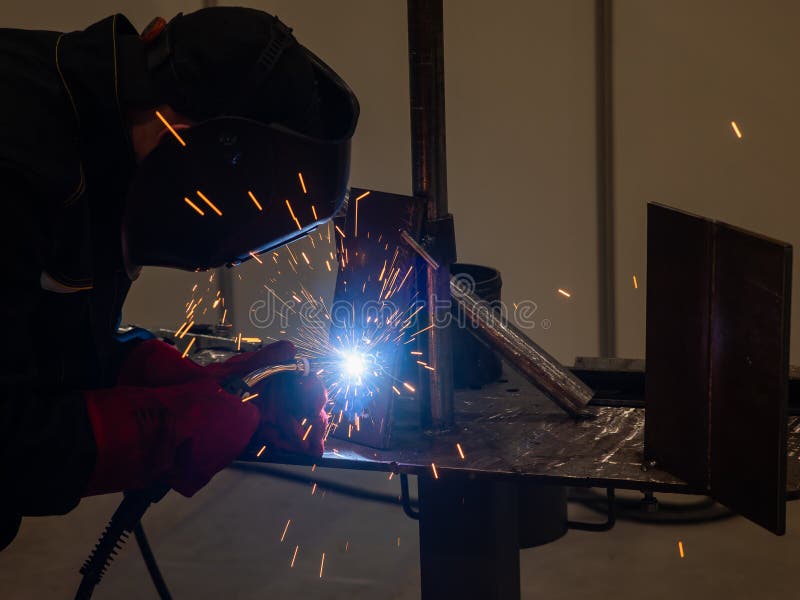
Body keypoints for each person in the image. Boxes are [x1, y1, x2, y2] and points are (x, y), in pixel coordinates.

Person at [0, 7, 359, 550]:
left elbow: (25, 344)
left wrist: (142, 371)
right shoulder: (18, 160)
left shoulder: (96, 131)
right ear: (201, 147)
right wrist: (160, 427)